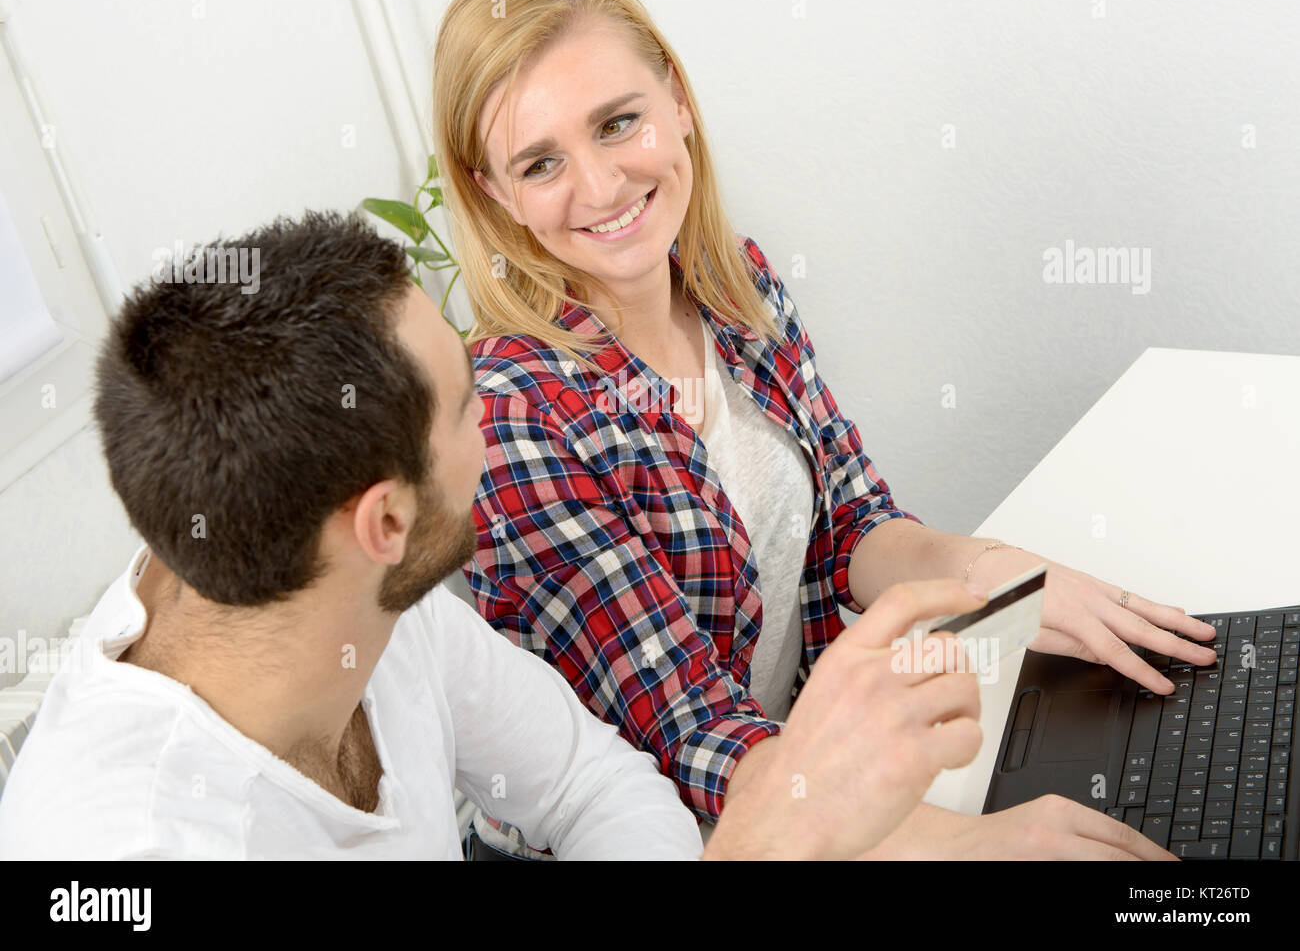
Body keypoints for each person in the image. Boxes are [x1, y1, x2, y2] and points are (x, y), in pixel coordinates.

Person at [432, 0, 1203, 858]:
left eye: (618, 122)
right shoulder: (516, 416)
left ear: (677, 101)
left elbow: (850, 528)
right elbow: (689, 733)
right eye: (540, 162)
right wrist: (958, 845)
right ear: (494, 193)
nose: (600, 187)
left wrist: (1003, 580)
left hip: (798, 782)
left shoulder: (735, 288)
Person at [0, 210, 993, 860]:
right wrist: (776, 837)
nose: (504, 414)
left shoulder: (363, 603)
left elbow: (584, 781)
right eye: (473, 403)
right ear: (385, 520)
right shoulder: (141, 843)